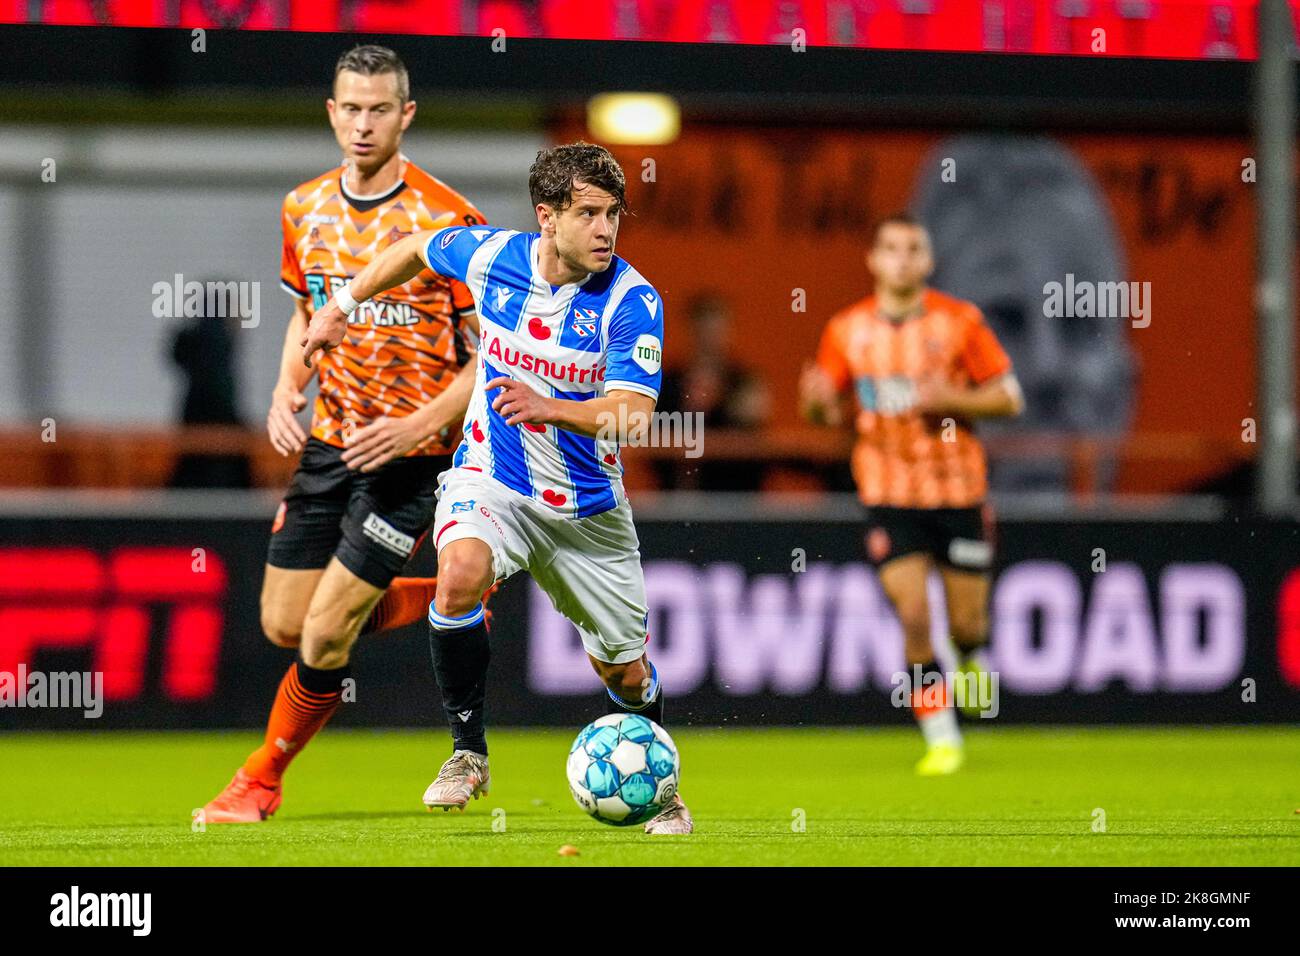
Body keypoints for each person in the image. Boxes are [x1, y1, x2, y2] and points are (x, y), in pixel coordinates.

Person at [301, 142, 693, 834]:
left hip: (586, 514)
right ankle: (467, 753)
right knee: (458, 576)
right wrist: (343, 302)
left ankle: (662, 789)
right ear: (547, 216)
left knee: (625, 674)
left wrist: (555, 407)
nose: (606, 231)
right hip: (494, 480)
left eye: (613, 216)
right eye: (590, 214)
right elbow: (417, 248)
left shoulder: (633, 301)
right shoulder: (493, 258)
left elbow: (633, 413)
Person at [202, 45, 487, 823]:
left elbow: (491, 356)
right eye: (350, 108)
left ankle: (258, 780)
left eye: (379, 109)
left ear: (407, 115)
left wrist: (419, 425)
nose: (363, 124)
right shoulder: (304, 209)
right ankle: (441, 599)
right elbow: (307, 314)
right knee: (282, 623)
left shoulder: (448, 222)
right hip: (330, 445)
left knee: (325, 638)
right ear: (332, 113)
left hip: (415, 457)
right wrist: (285, 385)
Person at [800, 214, 1023, 776]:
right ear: (874, 260)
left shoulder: (960, 323)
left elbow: (1010, 398)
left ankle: (970, 656)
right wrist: (815, 404)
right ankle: (942, 738)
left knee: (966, 625)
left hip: (957, 491)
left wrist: (955, 399)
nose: (902, 259)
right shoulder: (846, 331)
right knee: (915, 616)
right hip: (887, 492)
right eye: (891, 249)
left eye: (913, 250)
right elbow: (827, 411)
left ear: (928, 262)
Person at [655, 293, 769, 490]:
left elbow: (754, 435)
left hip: (734, 493)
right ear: (692, 331)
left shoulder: (743, 382)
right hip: (675, 493)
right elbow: (650, 433)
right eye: (704, 330)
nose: (710, 339)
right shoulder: (668, 382)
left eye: (717, 330)